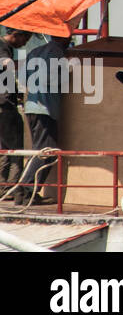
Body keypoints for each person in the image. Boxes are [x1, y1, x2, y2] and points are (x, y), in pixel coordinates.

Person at [2, 33, 70, 206]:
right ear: (64, 37)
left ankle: (23, 191)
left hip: (31, 105)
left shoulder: (35, 51)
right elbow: (53, 79)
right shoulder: (57, 52)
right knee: (47, 150)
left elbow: (23, 79)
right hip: (45, 107)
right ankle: (26, 190)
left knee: (39, 150)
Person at [0, 28, 31, 187]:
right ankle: (13, 188)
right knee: (16, 151)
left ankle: (3, 187)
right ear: (16, 34)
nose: (25, 43)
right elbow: (6, 63)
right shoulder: (3, 47)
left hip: (4, 105)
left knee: (4, 150)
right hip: (6, 106)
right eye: (25, 38)